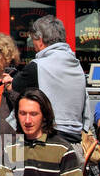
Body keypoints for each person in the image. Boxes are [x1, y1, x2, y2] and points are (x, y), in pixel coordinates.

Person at [10, 16, 91, 152]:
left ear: (40, 40)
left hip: (49, 143)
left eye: (33, 40)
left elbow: (16, 85)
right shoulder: (76, 65)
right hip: (76, 143)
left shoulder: (37, 66)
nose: (33, 46)